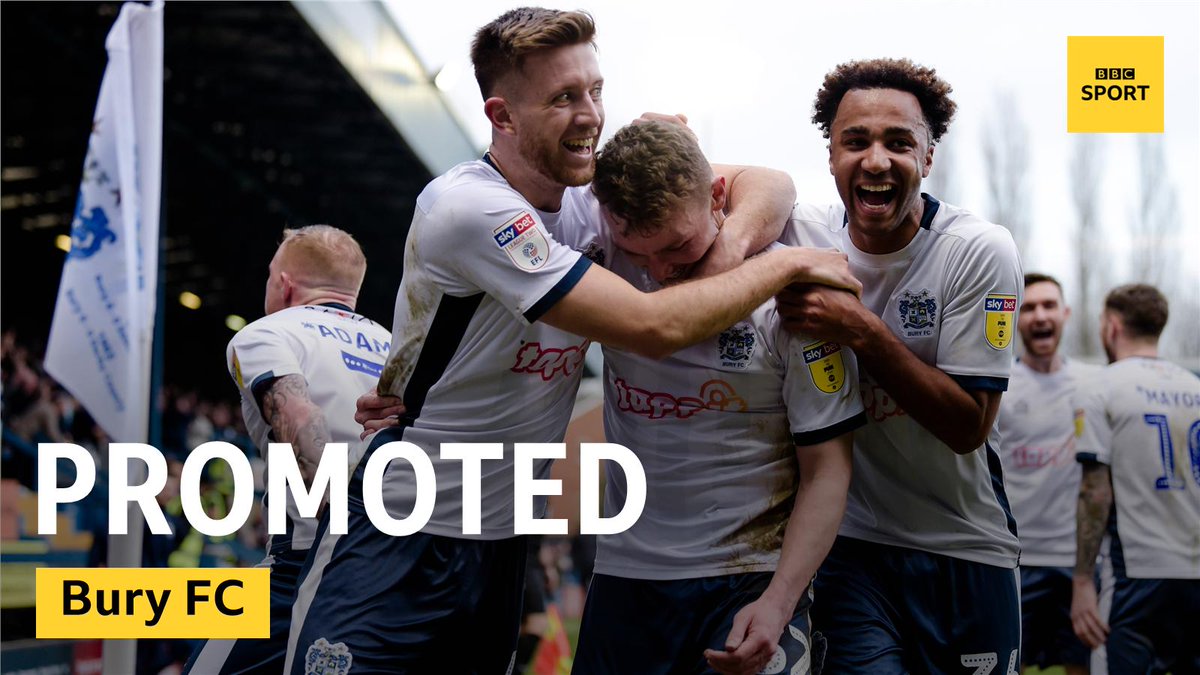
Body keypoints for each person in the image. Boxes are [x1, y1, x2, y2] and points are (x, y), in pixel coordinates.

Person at [286, 8, 861, 675]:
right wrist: (784, 264)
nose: (591, 113)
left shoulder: (600, 204)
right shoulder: (472, 208)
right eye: (564, 98)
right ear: (502, 116)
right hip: (402, 524)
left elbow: (770, 183)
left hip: (501, 544)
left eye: (595, 89)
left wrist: (726, 250)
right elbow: (655, 328)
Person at [570, 121, 864, 675]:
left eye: (678, 247)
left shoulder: (794, 306)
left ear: (718, 197)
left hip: (749, 578)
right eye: (641, 252)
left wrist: (779, 603)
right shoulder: (605, 265)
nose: (661, 273)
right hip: (627, 580)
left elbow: (828, 471)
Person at [775, 58, 1024, 673]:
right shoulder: (802, 233)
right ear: (830, 155)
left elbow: (969, 427)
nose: (877, 161)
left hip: (965, 547)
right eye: (855, 141)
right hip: (853, 549)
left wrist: (860, 329)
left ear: (929, 157)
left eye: (898, 143)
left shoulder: (978, 251)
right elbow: (718, 187)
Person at [185, 225, 392, 674]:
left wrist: (344, 531)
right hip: (394, 571)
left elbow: (298, 417)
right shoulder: (396, 347)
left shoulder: (265, 334)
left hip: (303, 567)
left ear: (283, 283)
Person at [1071, 283, 1200, 675]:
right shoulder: (1196, 387)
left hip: (1135, 576)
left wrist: (1081, 581)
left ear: (1111, 326)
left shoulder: (1099, 387)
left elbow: (1095, 491)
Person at [995, 272, 1093, 675]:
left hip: (1079, 562)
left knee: (1081, 664)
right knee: (1008, 665)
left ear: (1065, 313)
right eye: (1029, 307)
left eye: (1049, 305)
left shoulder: (1092, 385)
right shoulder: (999, 388)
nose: (1040, 316)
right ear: (1017, 318)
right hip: (1017, 559)